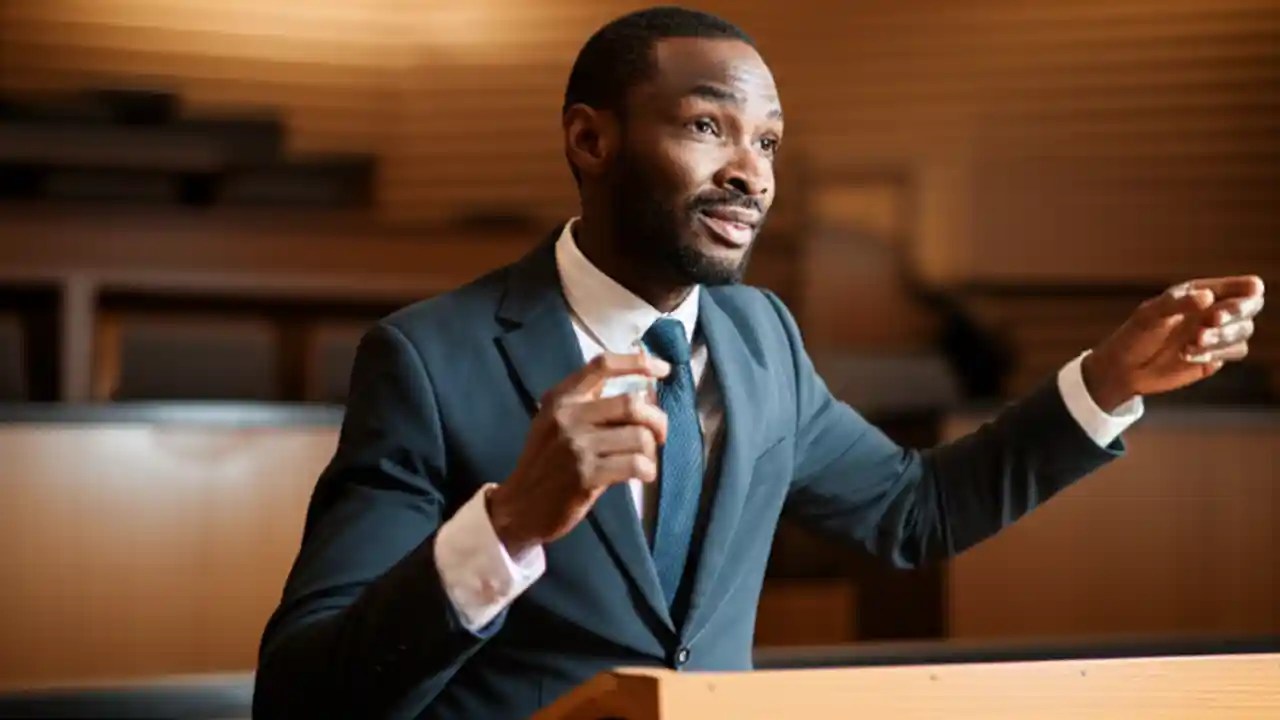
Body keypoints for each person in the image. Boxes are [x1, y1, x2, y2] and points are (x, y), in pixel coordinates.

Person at [252, 7, 1265, 719]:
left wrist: (1107, 384)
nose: (751, 171)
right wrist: (509, 523)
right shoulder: (426, 359)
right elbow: (302, 697)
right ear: (588, 139)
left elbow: (913, 513)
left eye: (769, 142)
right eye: (707, 126)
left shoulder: (759, 337)